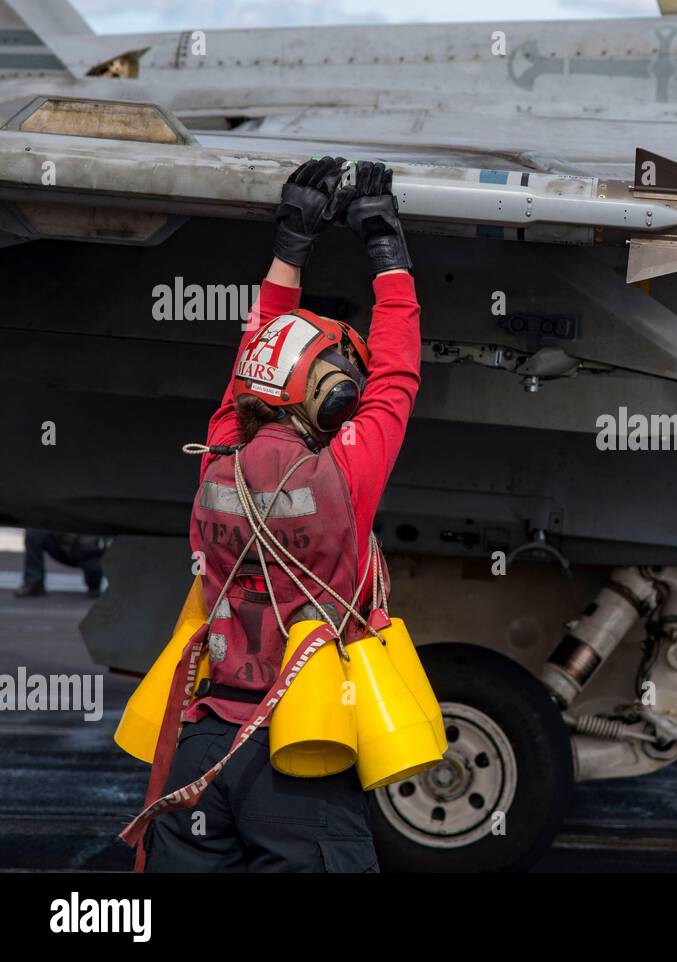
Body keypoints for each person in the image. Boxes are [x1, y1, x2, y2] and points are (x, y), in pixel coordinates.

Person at [139, 157, 420, 872]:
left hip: (202, 744)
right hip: (298, 745)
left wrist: (291, 245)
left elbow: (249, 365)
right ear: (330, 401)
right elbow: (397, 374)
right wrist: (386, 249)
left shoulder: (217, 459)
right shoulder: (343, 475)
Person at [16, 530, 108, 598]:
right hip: (64, 544)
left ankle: (95, 587)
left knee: (94, 588)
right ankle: (34, 583)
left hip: (90, 550)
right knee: (34, 533)